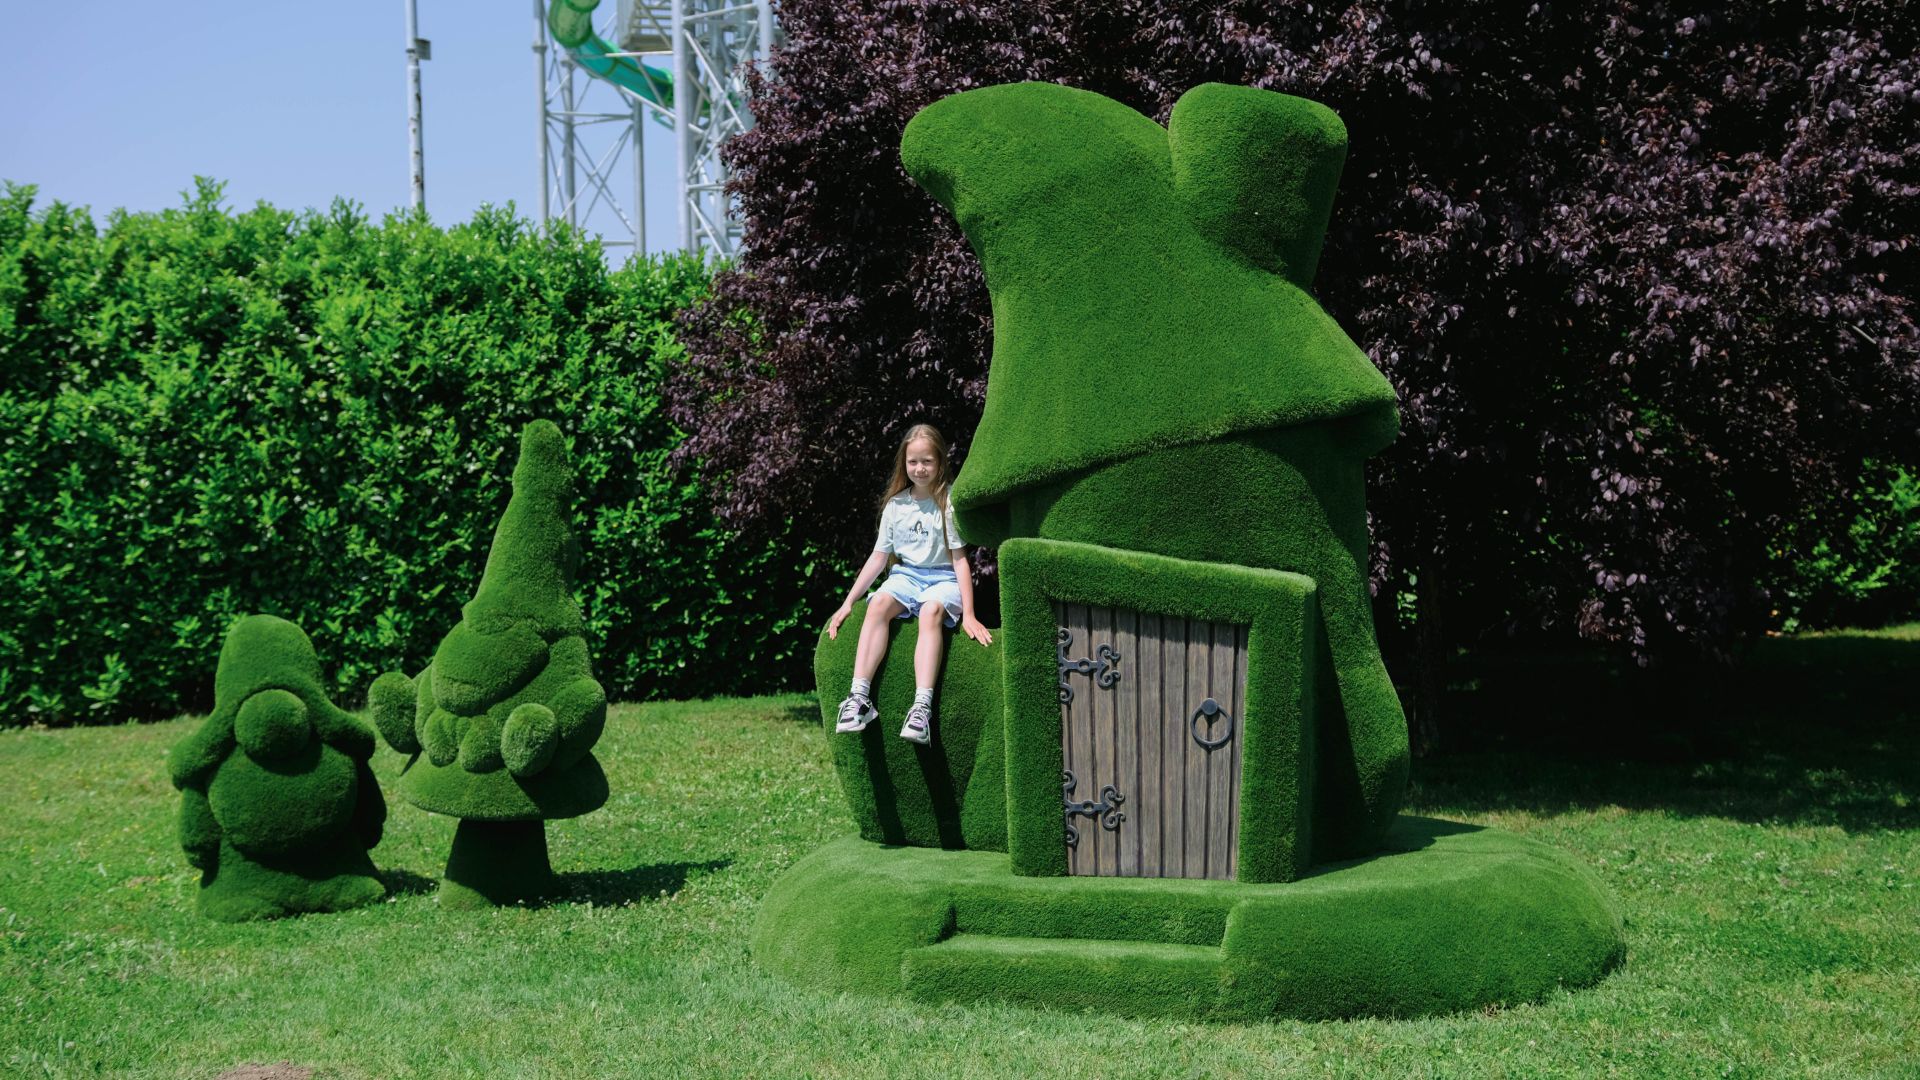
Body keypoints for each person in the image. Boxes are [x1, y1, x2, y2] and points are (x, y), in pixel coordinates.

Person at [827, 423, 993, 744]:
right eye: (913, 461)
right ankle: (859, 698)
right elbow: (878, 559)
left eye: (927, 461)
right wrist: (847, 603)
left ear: (940, 461)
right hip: (906, 576)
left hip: (943, 578)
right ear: (904, 463)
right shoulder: (896, 505)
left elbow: (960, 561)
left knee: (930, 612)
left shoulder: (948, 502)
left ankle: (921, 709)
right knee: (877, 604)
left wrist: (969, 614)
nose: (919, 468)